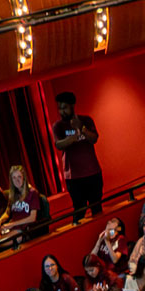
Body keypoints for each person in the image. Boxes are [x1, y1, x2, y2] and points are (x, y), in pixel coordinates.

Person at [53, 90, 104, 221]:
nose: (61, 111)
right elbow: (58, 145)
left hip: (93, 172)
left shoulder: (86, 120)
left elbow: (94, 138)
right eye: (59, 108)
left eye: (64, 108)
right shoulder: (58, 126)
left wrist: (81, 127)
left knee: (96, 207)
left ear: (72, 106)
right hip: (73, 177)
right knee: (79, 210)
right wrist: (73, 138)